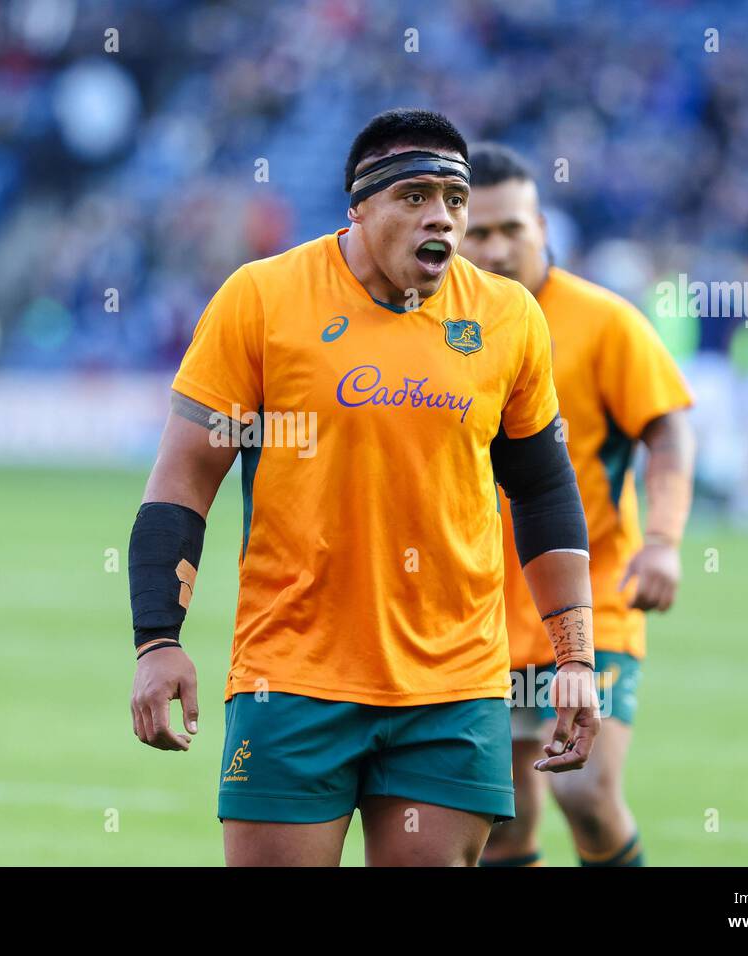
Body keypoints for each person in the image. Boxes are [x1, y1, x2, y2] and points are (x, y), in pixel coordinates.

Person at [128, 109, 601, 867]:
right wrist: (157, 642)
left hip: (453, 686)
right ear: (359, 205)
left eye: (454, 197)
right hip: (291, 678)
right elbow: (182, 481)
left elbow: (544, 493)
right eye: (414, 196)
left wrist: (575, 658)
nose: (440, 216)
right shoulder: (261, 299)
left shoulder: (508, 317)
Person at [458, 143, 695, 867]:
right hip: (482, 614)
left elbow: (668, 429)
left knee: (585, 793)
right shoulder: (440, 328)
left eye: (513, 229)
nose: (497, 247)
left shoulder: (603, 322)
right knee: (501, 818)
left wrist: (662, 539)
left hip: (593, 600)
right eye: (481, 232)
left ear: (543, 228)